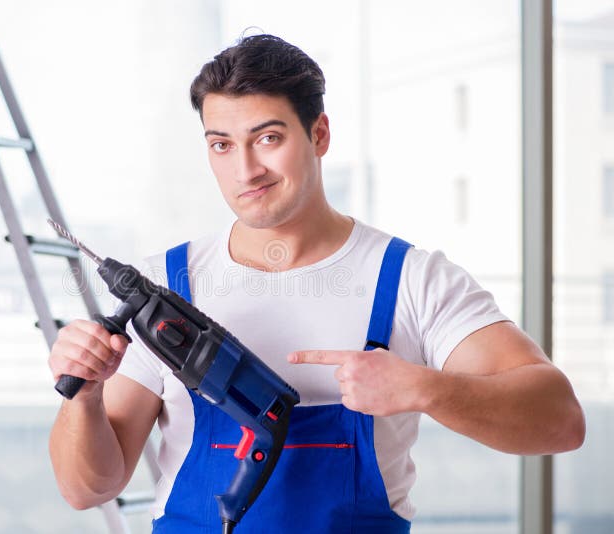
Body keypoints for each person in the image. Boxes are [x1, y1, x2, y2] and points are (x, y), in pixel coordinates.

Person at [48, 34, 585, 533]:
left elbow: (559, 422)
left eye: (268, 138)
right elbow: (87, 487)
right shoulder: (164, 288)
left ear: (319, 134)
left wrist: (424, 389)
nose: (246, 170)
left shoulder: (409, 280)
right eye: (222, 146)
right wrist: (86, 398)